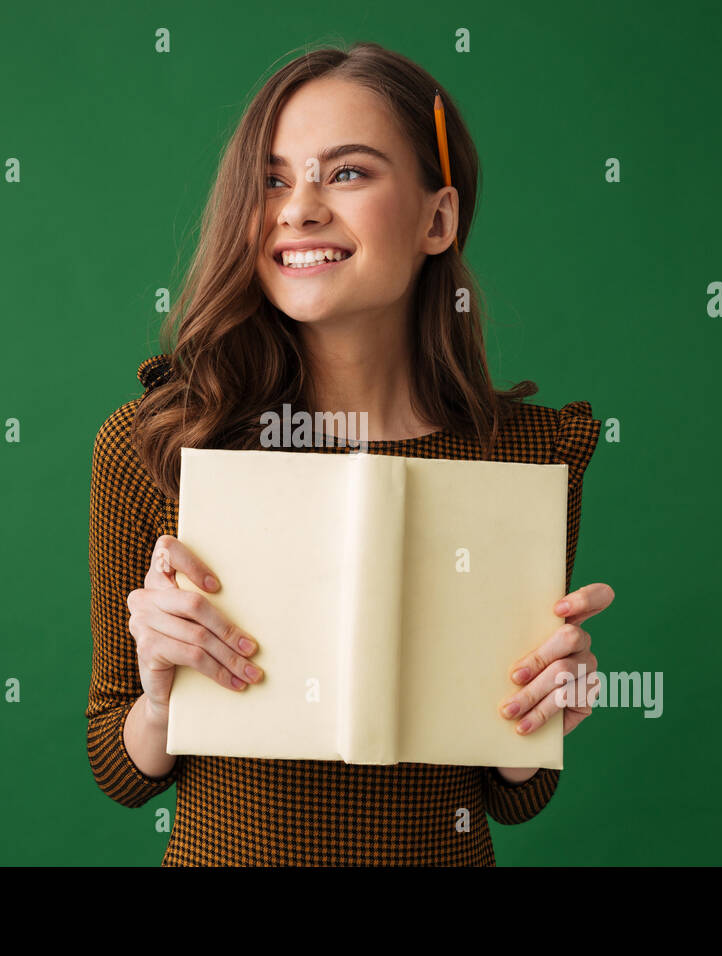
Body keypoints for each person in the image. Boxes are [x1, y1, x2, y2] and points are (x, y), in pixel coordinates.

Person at [87, 41, 614, 866]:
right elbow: (121, 769)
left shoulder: (522, 456)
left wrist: (544, 708)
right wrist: (159, 695)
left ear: (437, 219)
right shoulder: (159, 445)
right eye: (271, 179)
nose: (297, 209)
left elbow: (517, 794)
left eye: (347, 173)